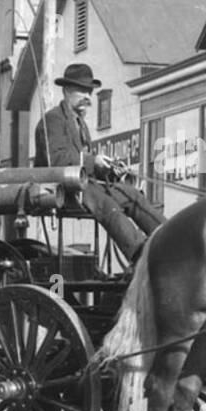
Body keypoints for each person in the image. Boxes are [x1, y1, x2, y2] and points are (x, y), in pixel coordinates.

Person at [34, 62, 161, 262]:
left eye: (90, 92)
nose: (88, 96)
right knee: (105, 203)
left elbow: (86, 165)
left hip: (82, 183)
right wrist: (94, 161)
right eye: (82, 90)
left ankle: (166, 235)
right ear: (67, 91)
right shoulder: (53, 120)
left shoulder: (80, 124)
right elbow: (57, 159)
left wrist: (110, 169)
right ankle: (139, 253)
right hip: (60, 187)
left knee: (131, 194)